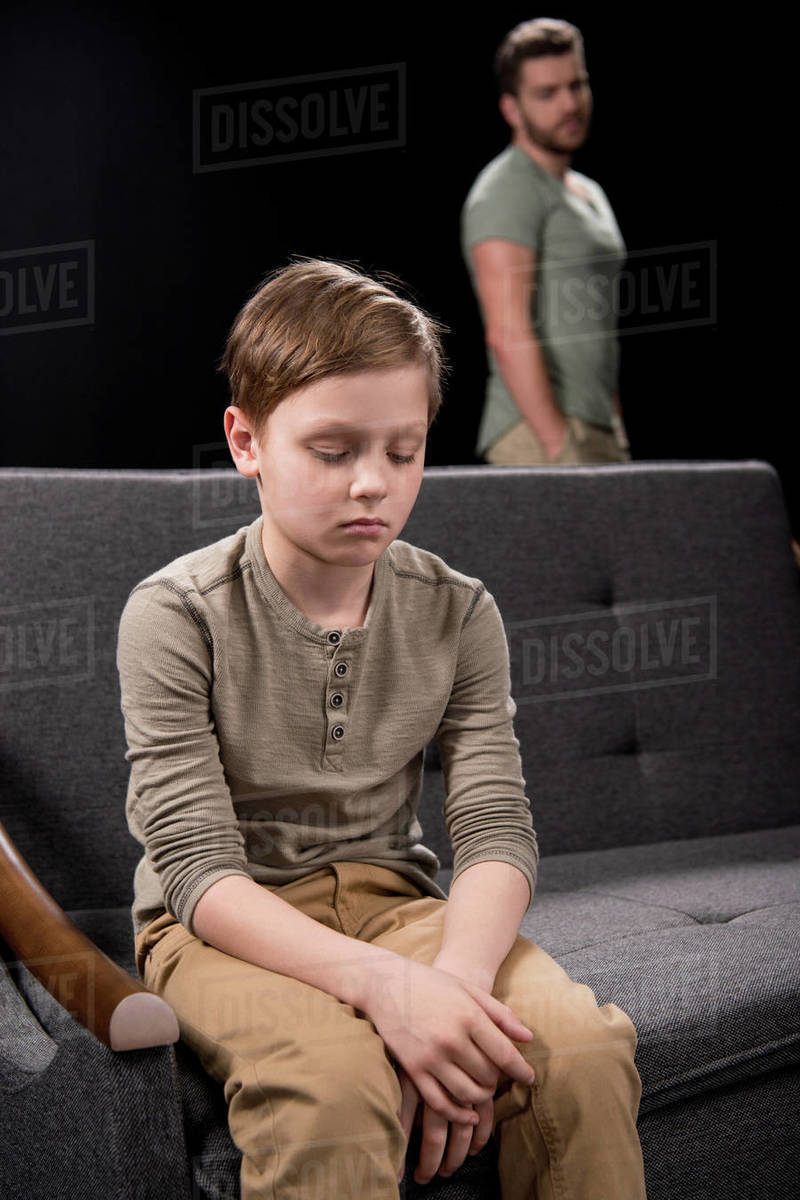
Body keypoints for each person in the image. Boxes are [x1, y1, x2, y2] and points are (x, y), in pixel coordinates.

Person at [117, 257, 646, 1199]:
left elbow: (493, 826)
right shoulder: (174, 613)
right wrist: (383, 990)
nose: (374, 485)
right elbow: (197, 869)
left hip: (393, 899)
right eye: (332, 451)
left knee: (573, 1046)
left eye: (402, 452)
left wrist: (456, 991)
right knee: (330, 1085)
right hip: (219, 929)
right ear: (245, 441)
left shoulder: (459, 610)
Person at [461, 18, 632, 466]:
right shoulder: (507, 190)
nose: (569, 104)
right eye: (547, 93)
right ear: (512, 109)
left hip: (594, 425)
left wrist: (611, 422)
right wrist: (558, 445)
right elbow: (507, 330)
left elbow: (596, 320)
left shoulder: (588, 192)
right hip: (539, 433)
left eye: (577, 85)